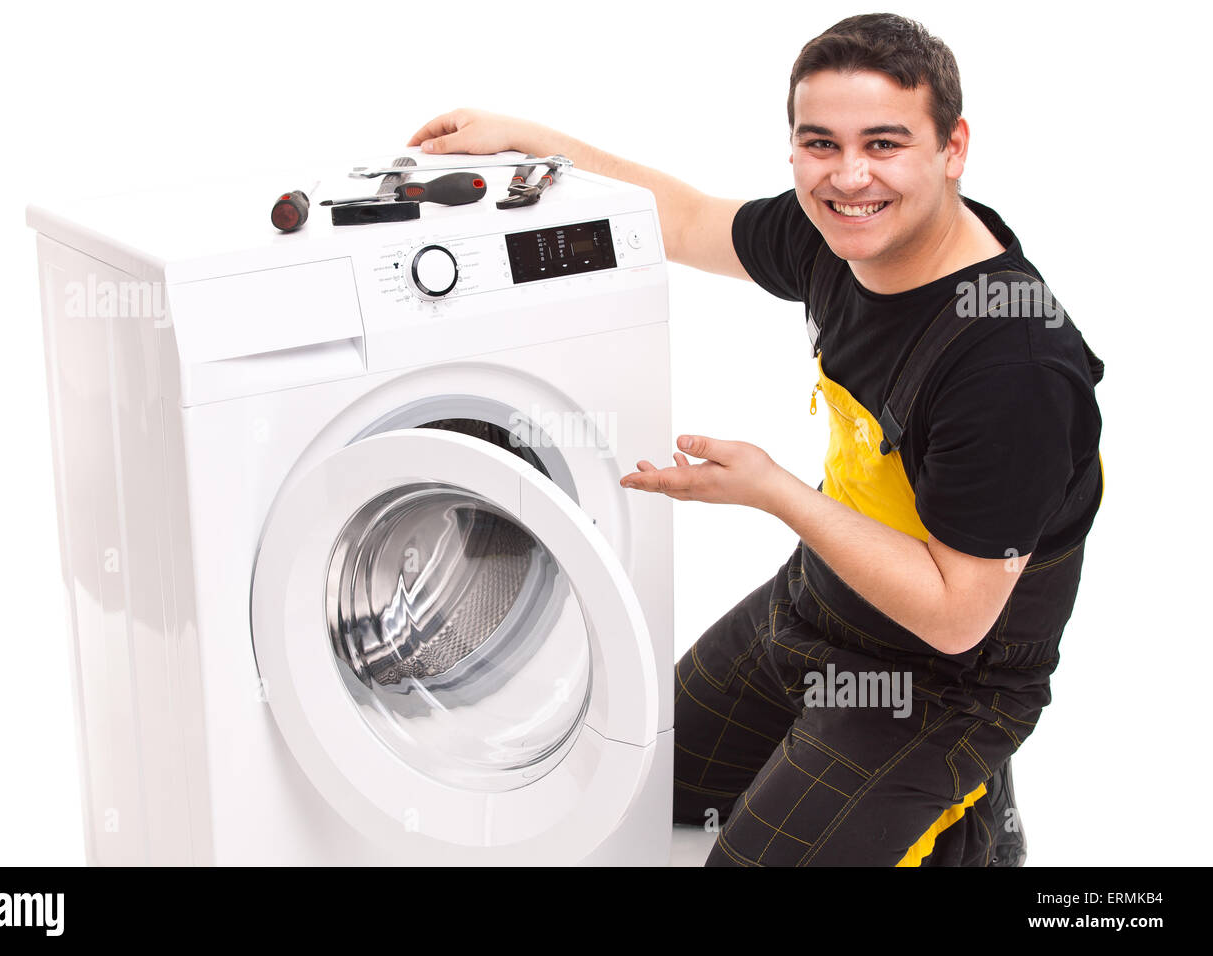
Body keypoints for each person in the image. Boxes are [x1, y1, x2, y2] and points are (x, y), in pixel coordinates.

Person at [407, 12, 1103, 867]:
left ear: (952, 148)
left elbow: (958, 618)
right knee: (636, 790)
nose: (849, 178)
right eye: (822, 144)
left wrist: (775, 491)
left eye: (885, 144)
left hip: (945, 683)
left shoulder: (1011, 363)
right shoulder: (831, 239)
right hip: (821, 606)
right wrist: (529, 141)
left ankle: (965, 824)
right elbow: (691, 220)